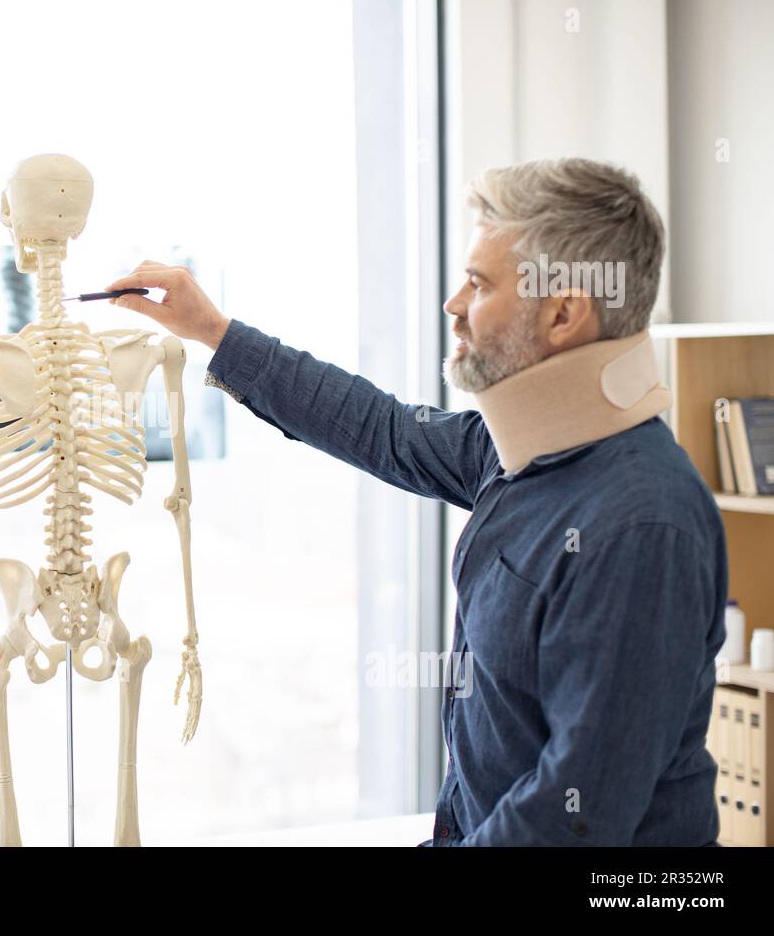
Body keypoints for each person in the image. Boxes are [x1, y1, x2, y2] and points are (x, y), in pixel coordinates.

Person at [105, 158, 726, 846]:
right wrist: (215, 332)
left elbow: (575, 814)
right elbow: (385, 430)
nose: (453, 304)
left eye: (480, 284)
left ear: (563, 314)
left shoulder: (643, 528)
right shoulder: (524, 452)